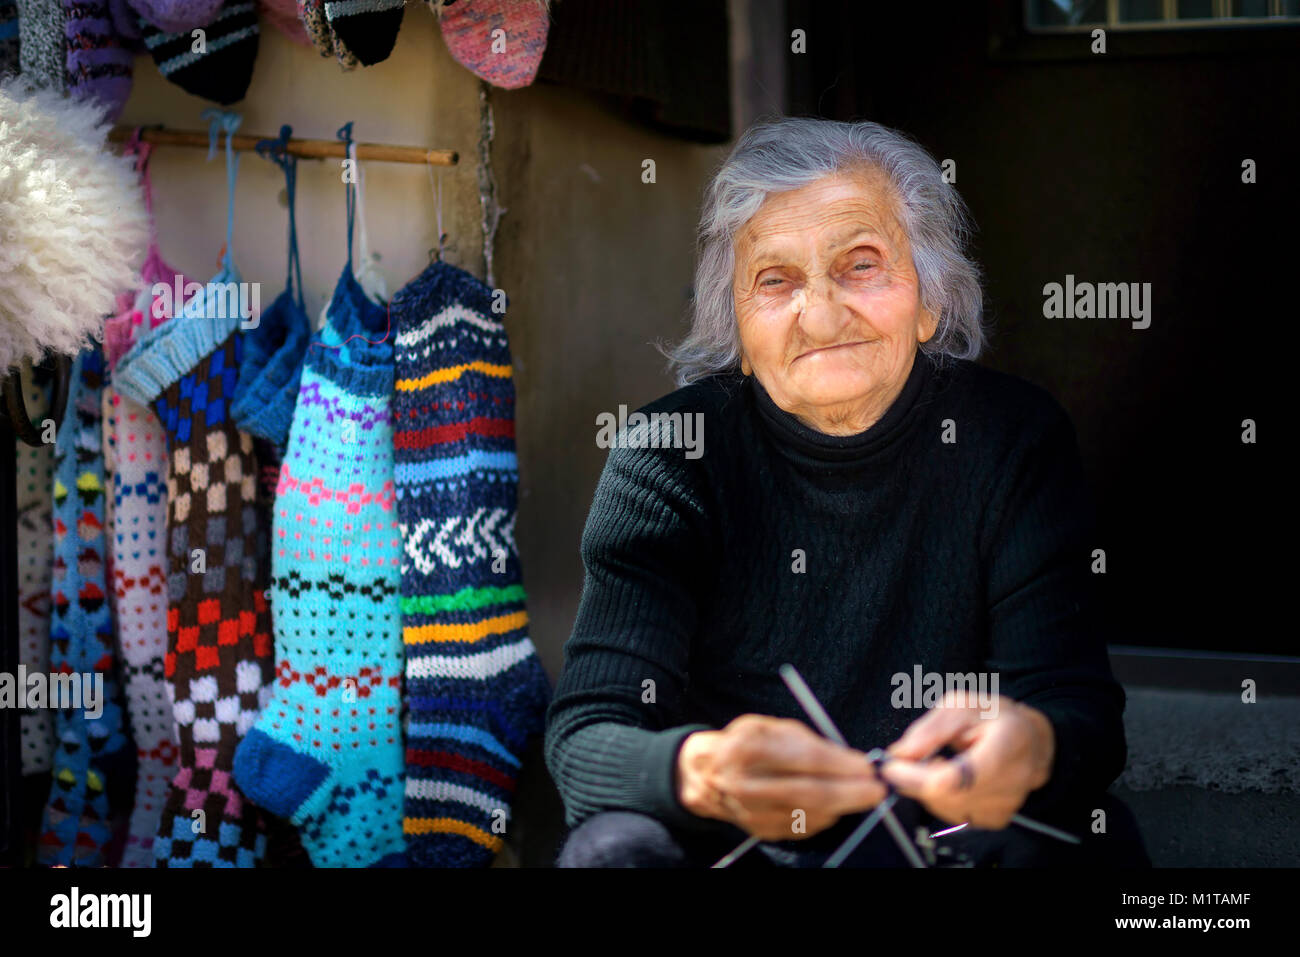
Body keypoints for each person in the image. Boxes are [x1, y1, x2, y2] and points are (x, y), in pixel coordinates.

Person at [545, 116, 1149, 868]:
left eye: (861, 265)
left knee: (1086, 841)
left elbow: (1080, 712)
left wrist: (1026, 749)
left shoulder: (1011, 438)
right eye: (776, 279)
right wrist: (701, 771)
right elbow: (587, 738)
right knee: (612, 846)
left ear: (930, 297)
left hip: (938, 835)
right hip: (741, 840)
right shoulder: (671, 454)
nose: (823, 315)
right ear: (735, 318)